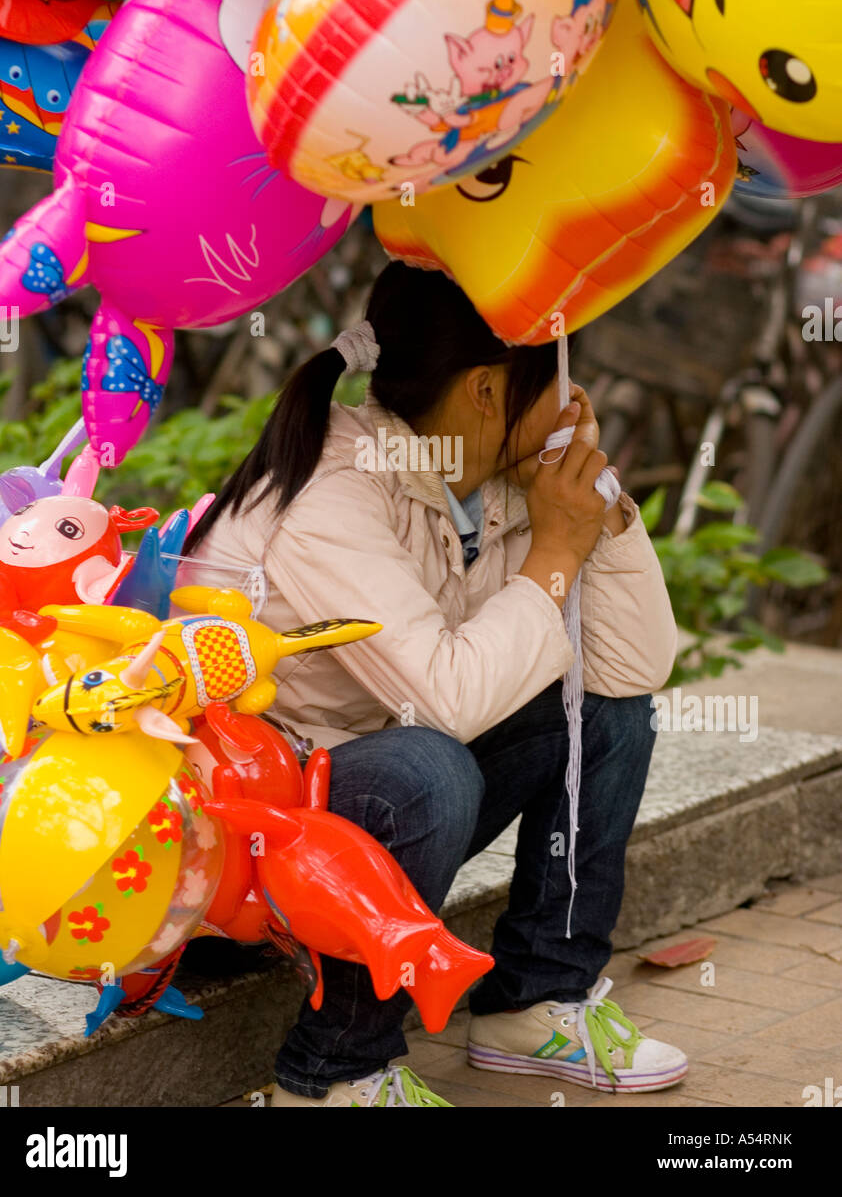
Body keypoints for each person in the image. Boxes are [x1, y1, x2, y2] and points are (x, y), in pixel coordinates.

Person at [184, 260, 684, 1108]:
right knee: (428, 768)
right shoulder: (334, 496)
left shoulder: (488, 479)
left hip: (353, 806)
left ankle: (534, 1003)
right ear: (488, 391)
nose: (575, 399)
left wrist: (600, 509)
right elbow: (445, 704)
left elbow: (630, 673)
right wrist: (556, 554)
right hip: (232, 861)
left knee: (605, 718)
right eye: (559, 377)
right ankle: (336, 1074)